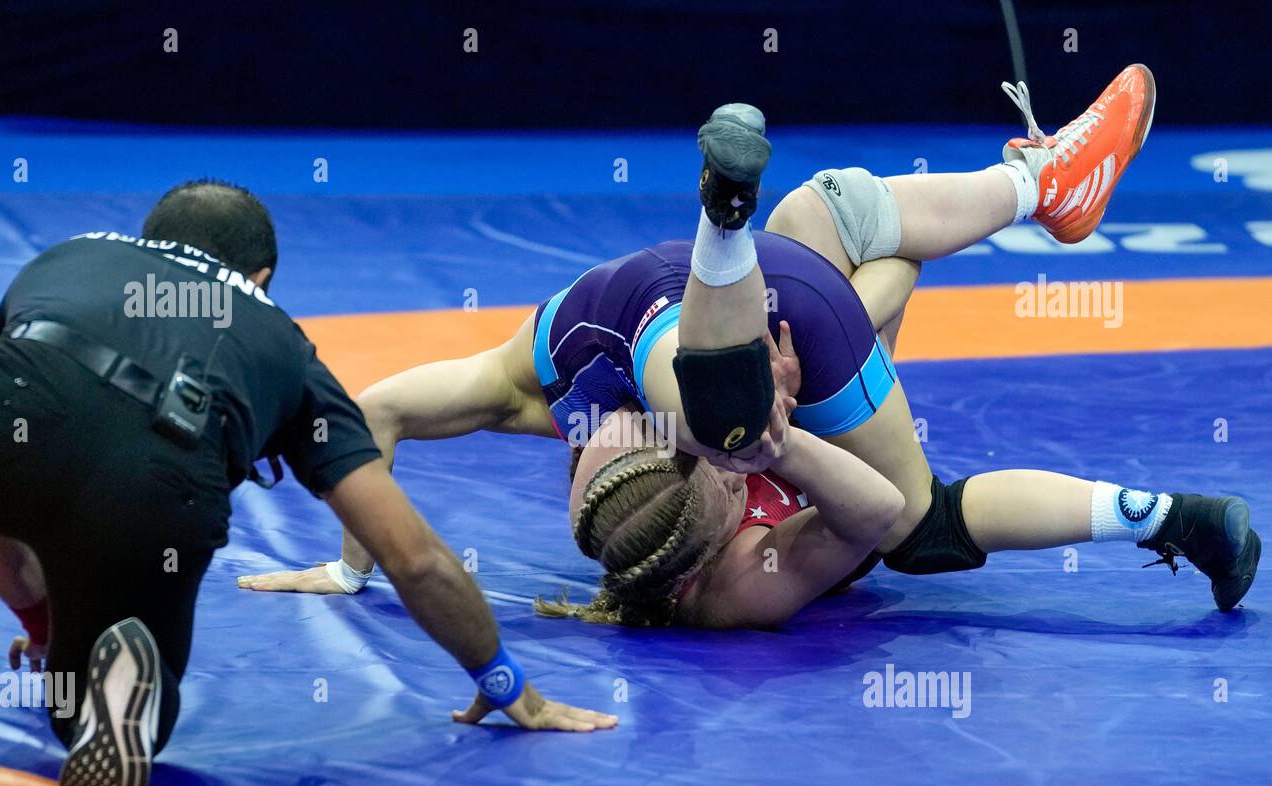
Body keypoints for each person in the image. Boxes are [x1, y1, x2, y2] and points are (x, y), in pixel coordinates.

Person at [240, 65, 1259, 619]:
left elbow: (885, 512)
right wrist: (790, 433)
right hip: (702, 312)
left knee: (910, 507)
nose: (593, 444)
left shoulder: (568, 402)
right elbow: (379, 408)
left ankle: (732, 233)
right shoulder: (723, 570)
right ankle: (1036, 185)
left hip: (702, 339)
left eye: (597, 445)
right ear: (706, 501)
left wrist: (347, 573)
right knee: (843, 214)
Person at [0, 180, 616, 786]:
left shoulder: (74, 253)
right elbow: (411, 555)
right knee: (82, 709)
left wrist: (37, 616)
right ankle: (106, 686)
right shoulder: (283, 346)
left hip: (9, 410)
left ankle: (49, 630)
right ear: (262, 278)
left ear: (148, 242)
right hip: (159, 484)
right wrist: (500, 677)